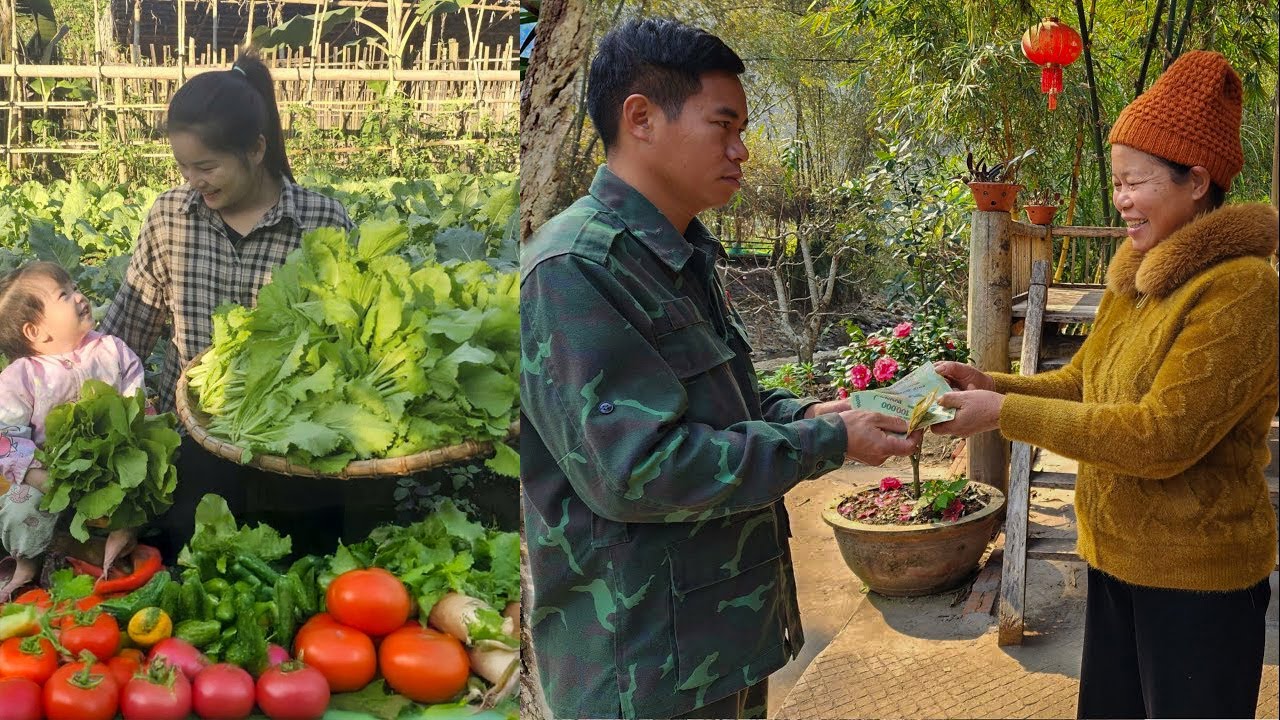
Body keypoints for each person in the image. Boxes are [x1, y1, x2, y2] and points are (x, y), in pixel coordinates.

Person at [520, 18, 921, 720]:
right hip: (644, 669)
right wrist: (827, 442)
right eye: (723, 125)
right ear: (640, 118)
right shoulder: (577, 270)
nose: (741, 151)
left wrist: (811, 416)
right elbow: (638, 471)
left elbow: (725, 405)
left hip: (717, 642)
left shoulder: (673, 255)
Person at [932, 50, 1277, 720]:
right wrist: (987, 383)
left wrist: (1001, 411)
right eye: (1116, 182)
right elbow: (1080, 385)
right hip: (1117, 558)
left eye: (1134, 182)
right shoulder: (1139, 276)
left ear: (1197, 180)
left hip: (1195, 579)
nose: (1119, 200)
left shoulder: (1242, 290)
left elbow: (1160, 438)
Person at [100, 53, 354, 559]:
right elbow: (127, 332)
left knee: (300, 575)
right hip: (193, 443)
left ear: (256, 149)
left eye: (207, 166)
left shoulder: (320, 220)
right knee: (195, 570)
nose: (194, 179)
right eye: (184, 167)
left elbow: (347, 345)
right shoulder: (171, 217)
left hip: (293, 445)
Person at [0, 262, 147, 600]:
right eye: (64, 295)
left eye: (74, 287)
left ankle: (118, 548)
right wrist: (37, 476)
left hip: (111, 465)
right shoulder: (21, 377)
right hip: (47, 471)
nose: (80, 297)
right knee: (21, 506)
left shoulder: (111, 350)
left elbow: (136, 399)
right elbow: (7, 440)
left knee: (141, 491)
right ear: (35, 332)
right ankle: (27, 563)